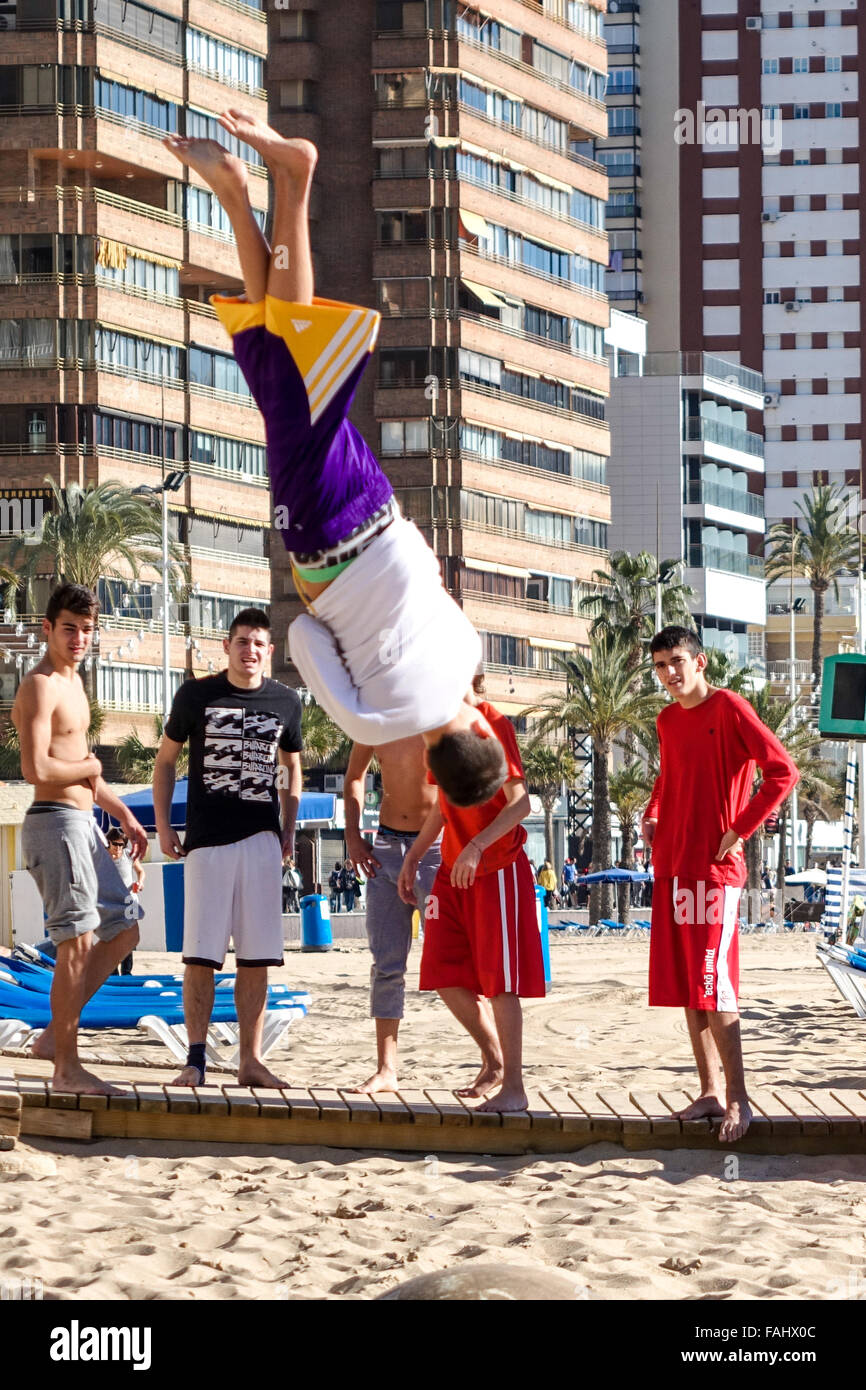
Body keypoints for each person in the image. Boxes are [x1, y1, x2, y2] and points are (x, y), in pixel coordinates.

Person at [162, 115, 500, 810]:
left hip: (381, 513)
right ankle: (296, 177)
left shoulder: (469, 657)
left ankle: (234, 194)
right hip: (325, 543)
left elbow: (440, 600)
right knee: (291, 356)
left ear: (484, 732)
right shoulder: (372, 721)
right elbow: (304, 634)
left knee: (277, 372)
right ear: (436, 768)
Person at [642, 626, 798, 1144]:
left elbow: (783, 772)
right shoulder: (666, 719)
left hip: (716, 870)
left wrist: (739, 829)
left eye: (677, 661)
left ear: (700, 662)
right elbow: (667, 778)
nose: (669, 673)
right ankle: (708, 1091)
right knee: (692, 984)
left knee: (716, 983)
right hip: (673, 865)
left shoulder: (729, 707)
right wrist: (652, 811)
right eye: (661, 665)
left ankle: (739, 1098)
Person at [154, 607, 302, 1088]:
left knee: (256, 958)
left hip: (262, 842)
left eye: (259, 643)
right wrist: (163, 825)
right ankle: (195, 1061)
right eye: (242, 641)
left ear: (270, 650)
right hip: (206, 843)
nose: (250, 651)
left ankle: (250, 1061)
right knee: (200, 955)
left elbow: (292, 767)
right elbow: (164, 762)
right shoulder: (197, 694)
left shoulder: (286, 701)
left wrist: (289, 827)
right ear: (227, 645)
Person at [12, 583, 147, 1095]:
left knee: (124, 930)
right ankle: (66, 1066)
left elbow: (90, 777)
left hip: (85, 824)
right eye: (70, 628)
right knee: (76, 941)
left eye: (88, 629)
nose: (79, 638)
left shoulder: (77, 685)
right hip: (54, 822)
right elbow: (36, 767)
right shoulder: (41, 685)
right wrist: (90, 765)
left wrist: (125, 816)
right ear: (48, 628)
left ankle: (52, 1037)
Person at [398, 697, 544, 1113]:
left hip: (495, 866)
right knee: (441, 971)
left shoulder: (492, 722)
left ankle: (513, 1087)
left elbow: (522, 803)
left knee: (499, 982)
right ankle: (494, 1062)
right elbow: (445, 807)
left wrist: (478, 845)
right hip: (451, 868)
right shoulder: (438, 725)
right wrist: (413, 856)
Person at [343, 736, 442, 1094]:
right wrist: (352, 835)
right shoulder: (374, 715)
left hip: (435, 847)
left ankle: (492, 1063)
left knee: (453, 962)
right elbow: (355, 775)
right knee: (386, 963)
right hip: (385, 847)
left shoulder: (438, 712)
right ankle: (387, 1069)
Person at [106, 829, 145, 974]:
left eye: (121, 844)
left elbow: (141, 871)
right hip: (110, 903)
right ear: (108, 842)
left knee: (128, 937)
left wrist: (140, 883)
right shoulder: (101, 857)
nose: (118, 847)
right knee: (112, 937)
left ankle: (127, 972)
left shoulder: (129, 855)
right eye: (115, 844)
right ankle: (113, 972)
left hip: (129, 901)